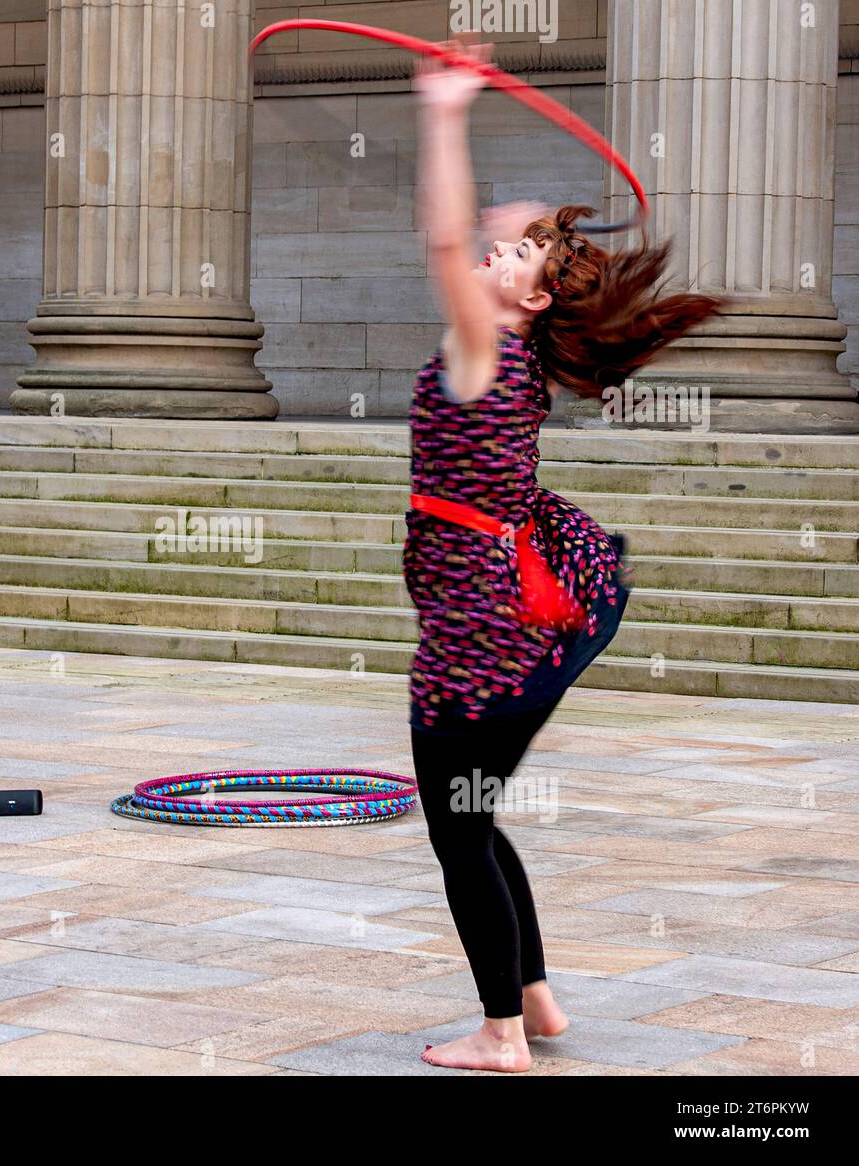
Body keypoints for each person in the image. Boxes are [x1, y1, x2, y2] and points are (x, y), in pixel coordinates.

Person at [406, 37, 724, 1072]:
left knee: (459, 827)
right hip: (525, 608)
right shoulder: (517, 362)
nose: (493, 262)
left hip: (485, 635)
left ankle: (500, 1032)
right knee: (475, 812)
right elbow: (475, 246)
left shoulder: (481, 348)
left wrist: (446, 110)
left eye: (514, 264)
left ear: (528, 304)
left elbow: (441, 241)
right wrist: (525, 231)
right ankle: (534, 1000)